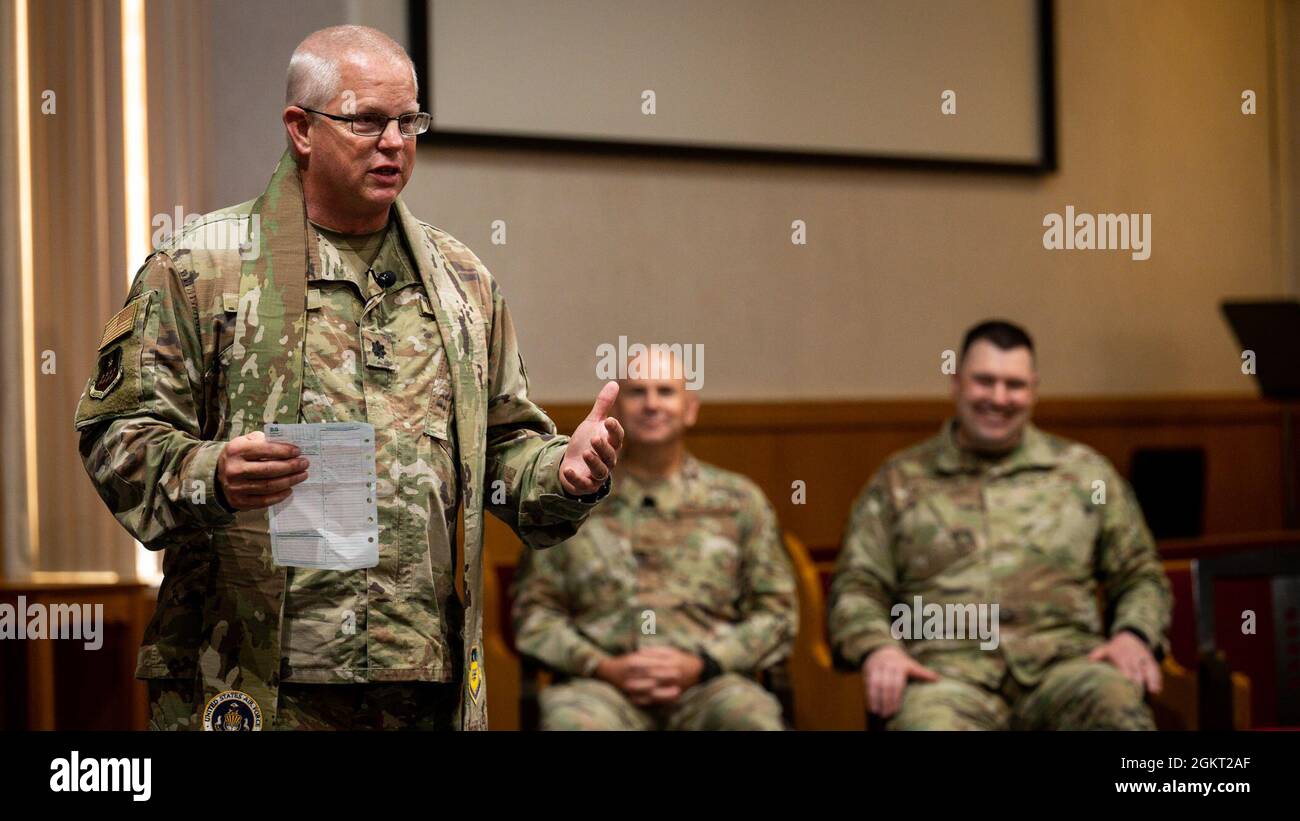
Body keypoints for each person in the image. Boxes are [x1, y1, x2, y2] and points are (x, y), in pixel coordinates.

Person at [75, 25, 621, 731]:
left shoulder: (461, 283)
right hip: (256, 675)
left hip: (421, 680)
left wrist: (563, 471)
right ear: (301, 130)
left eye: (408, 120)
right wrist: (210, 472)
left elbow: (504, 447)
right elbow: (116, 437)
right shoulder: (199, 270)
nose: (394, 141)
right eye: (366, 121)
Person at [828, 320, 1171, 730]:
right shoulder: (900, 481)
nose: (999, 398)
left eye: (1015, 385)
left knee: (1116, 704)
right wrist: (878, 649)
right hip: (945, 677)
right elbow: (857, 586)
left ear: (1035, 390)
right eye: (984, 382)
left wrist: (1133, 634)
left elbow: (1139, 573)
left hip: (1065, 669)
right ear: (955, 383)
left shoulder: (1085, 475)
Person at [512, 350, 797, 730]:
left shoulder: (739, 502)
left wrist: (704, 664)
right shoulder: (577, 497)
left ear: (690, 408)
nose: (651, 404)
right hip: (599, 690)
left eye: (665, 391)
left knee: (752, 719)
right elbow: (534, 614)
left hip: (711, 686)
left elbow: (776, 613)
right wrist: (602, 666)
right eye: (637, 392)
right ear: (619, 410)